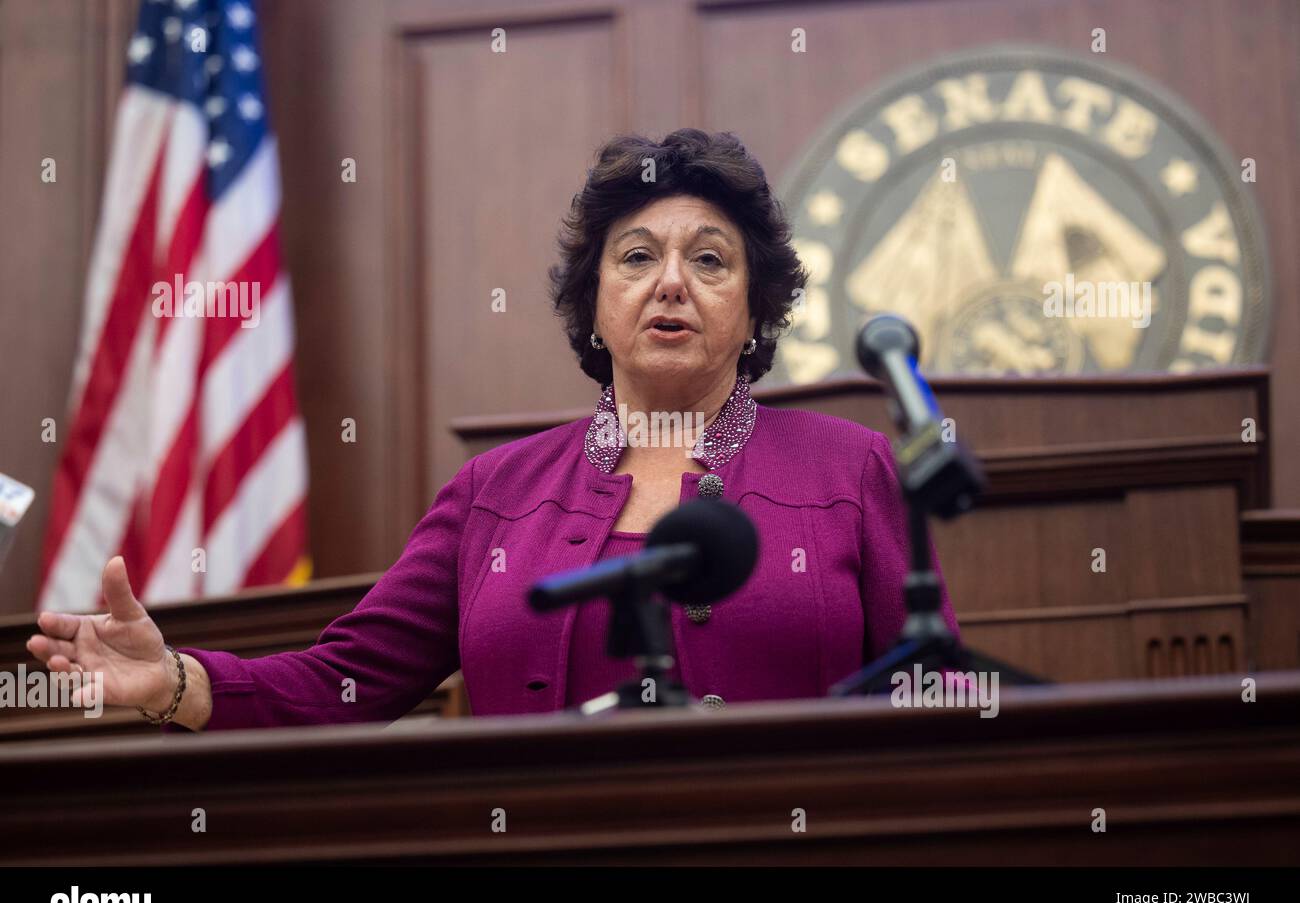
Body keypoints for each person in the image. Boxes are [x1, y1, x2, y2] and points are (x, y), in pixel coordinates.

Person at [26, 128, 958, 731]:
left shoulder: (859, 468)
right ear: (595, 308)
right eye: (636, 257)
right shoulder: (496, 495)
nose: (671, 281)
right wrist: (177, 682)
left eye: (709, 260)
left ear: (754, 311)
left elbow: (940, 694)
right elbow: (348, 680)